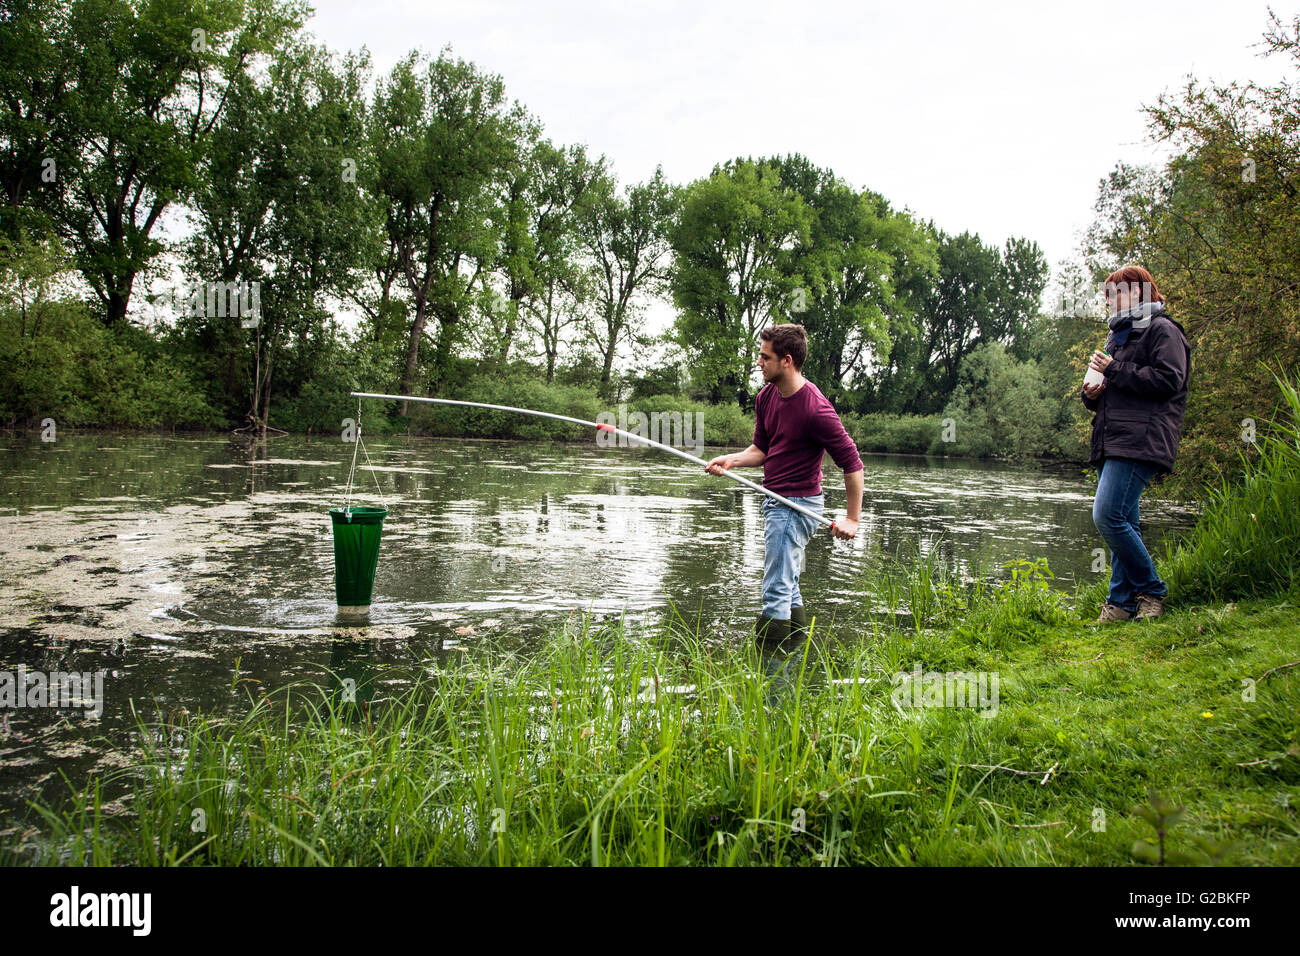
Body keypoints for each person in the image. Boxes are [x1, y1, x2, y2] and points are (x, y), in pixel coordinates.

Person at [705, 324, 863, 643]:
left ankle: (769, 674)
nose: (759, 363)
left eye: (765, 357)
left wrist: (853, 518)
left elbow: (852, 463)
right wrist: (731, 460)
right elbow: (761, 450)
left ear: (786, 361)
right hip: (776, 500)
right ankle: (795, 659)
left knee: (775, 588)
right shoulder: (766, 397)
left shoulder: (816, 409)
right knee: (787, 583)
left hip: (797, 505)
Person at [1081, 265, 1191, 623]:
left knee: (1107, 516)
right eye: (1108, 295)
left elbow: (1168, 381)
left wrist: (1113, 370)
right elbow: (1118, 391)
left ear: (1140, 293)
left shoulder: (1163, 330)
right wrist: (1092, 394)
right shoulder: (1119, 337)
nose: (1110, 301)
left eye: (1118, 293)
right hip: (1112, 439)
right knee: (1124, 519)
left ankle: (1152, 591)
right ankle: (1121, 604)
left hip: (1142, 439)